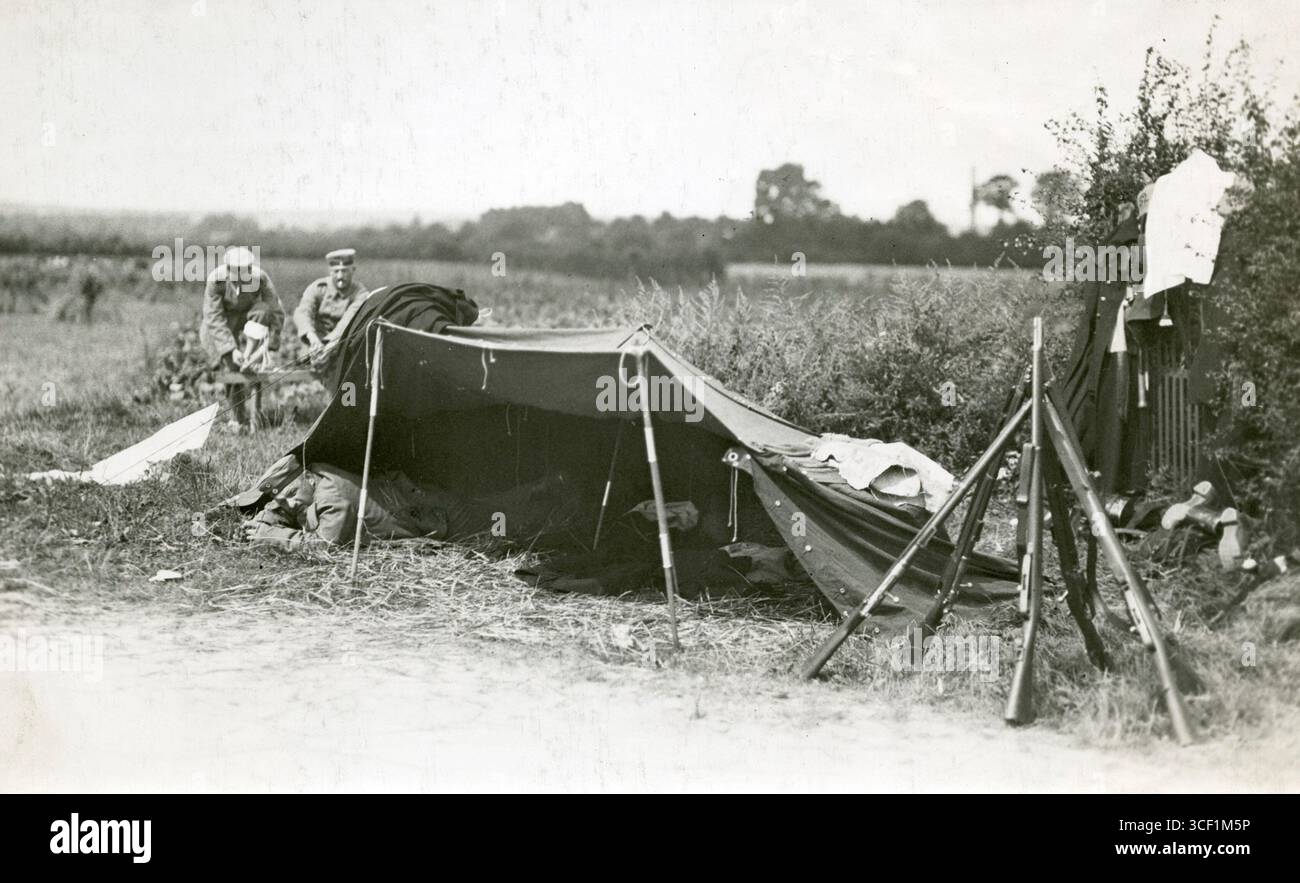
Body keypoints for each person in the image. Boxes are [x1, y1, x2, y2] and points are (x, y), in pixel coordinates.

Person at [199, 247, 284, 431]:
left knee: (263, 312)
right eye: (234, 271)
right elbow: (214, 317)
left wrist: (270, 343)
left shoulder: (260, 278)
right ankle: (238, 418)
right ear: (227, 269)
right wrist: (231, 349)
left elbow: (275, 308)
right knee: (231, 366)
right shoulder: (216, 280)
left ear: (250, 269)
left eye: (243, 271)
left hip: (248, 318)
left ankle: (256, 413)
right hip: (221, 324)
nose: (238, 277)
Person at [294, 248, 369, 374]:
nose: (340, 276)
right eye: (336, 271)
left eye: (345, 271)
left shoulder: (360, 293)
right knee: (308, 362)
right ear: (330, 271)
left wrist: (329, 346)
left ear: (353, 270)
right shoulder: (318, 288)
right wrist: (312, 338)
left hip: (344, 341)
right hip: (316, 340)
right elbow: (303, 312)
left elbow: (348, 321)